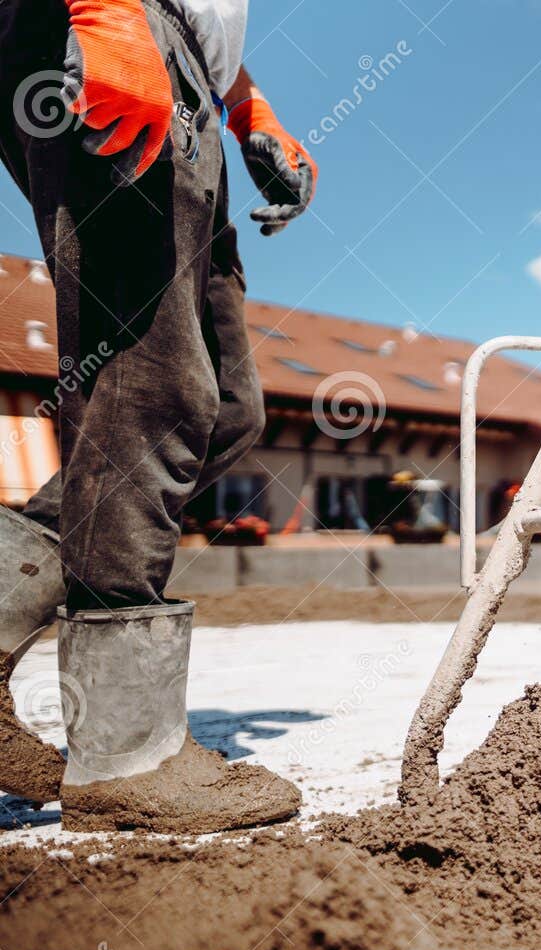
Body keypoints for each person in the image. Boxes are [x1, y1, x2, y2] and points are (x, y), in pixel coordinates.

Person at [0, 0, 316, 832]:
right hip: (116, 19)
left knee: (224, 407)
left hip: (182, 61)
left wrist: (245, 104)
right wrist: (107, 10)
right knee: (149, 376)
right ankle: (126, 753)